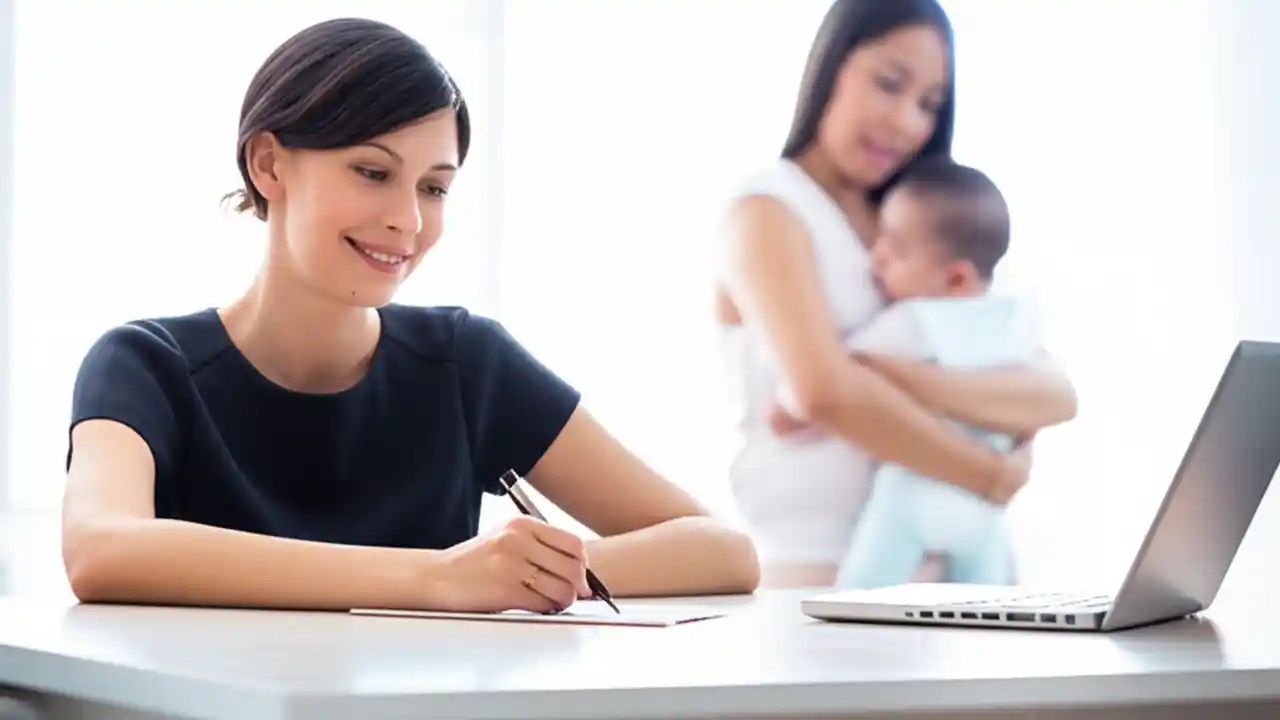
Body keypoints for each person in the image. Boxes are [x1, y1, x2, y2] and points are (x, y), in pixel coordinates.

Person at [62, 17, 759, 614]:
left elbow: (722, 551)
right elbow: (100, 549)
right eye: (373, 172)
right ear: (270, 165)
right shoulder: (146, 364)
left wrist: (525, 574)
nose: (407, 220)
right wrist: (436, 577)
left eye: (434, 187)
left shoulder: (465, 362)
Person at [714, 0, 1077, 589]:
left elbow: (1051, 392)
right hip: (819, 579)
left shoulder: (923, 221)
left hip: (953, 581)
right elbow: (824, 393)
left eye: (930, 104)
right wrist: (986, 473)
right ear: (831, 66)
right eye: (889, 84)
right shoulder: (768, 211)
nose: (910, 123)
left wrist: (879, 370)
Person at [772, 158, 1039, 589]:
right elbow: (1041, 402)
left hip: (917, 498)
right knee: (988, 617)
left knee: (859, 598)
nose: (876, 258)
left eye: (895, 248)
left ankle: (849, 609)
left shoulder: (912, 323)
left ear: (955, 279)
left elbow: (826, 384)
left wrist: (787, 408)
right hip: (985, 516)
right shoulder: (1018, 320)